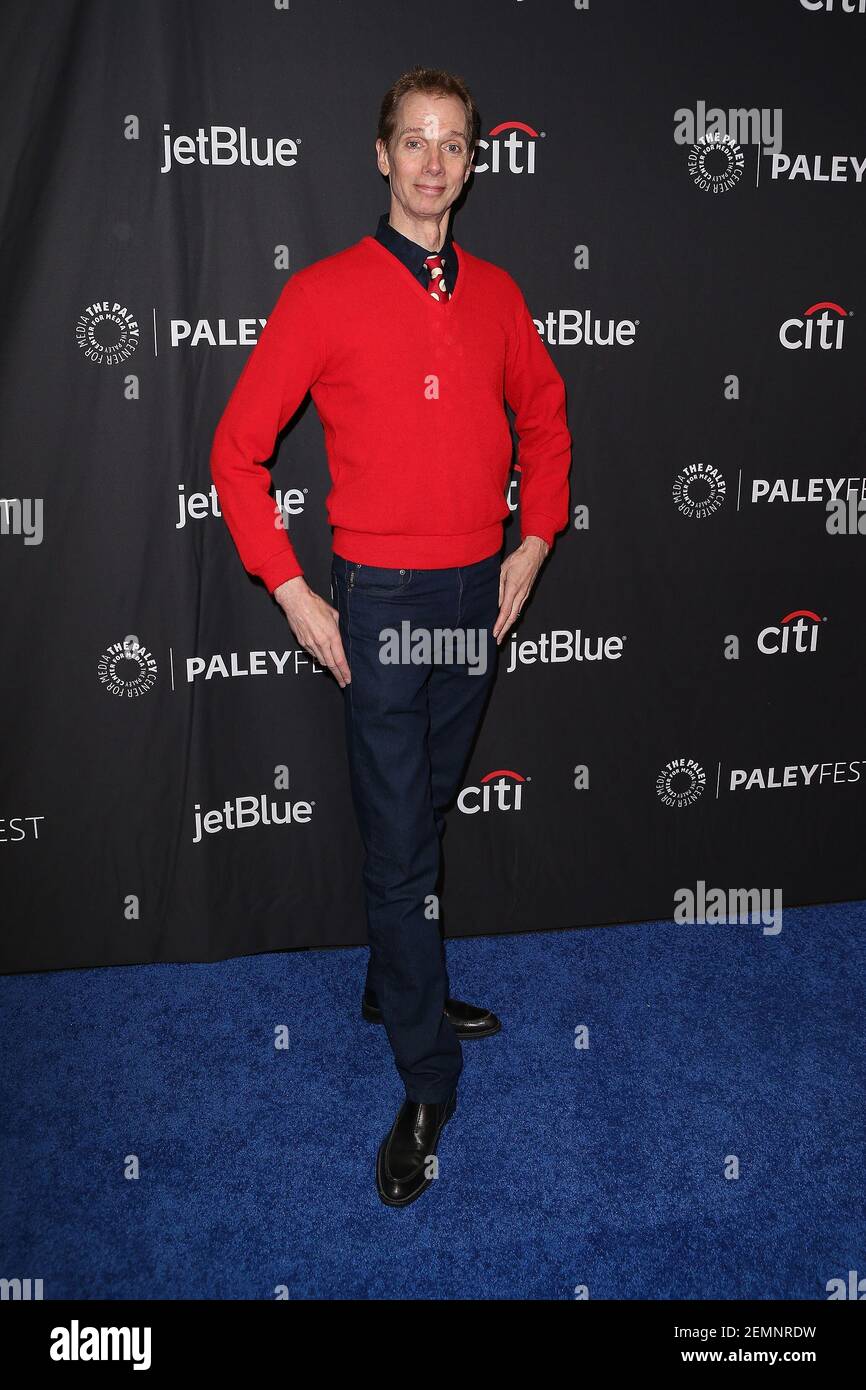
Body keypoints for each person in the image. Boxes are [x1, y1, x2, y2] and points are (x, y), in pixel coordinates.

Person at [210, 65, 572, 1207]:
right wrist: (292, 592)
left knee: (426, 809)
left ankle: (391, 979)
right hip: (381, 605)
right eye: (413, 139)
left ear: (472, 164)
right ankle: (426, 1080)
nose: (432, 160)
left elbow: (546, 422)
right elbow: (235, 453)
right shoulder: (323, 293)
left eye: (452, 142)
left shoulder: (499, 295)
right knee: (404, 846)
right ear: (381, 156)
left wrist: (532, 542)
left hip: (475, 601)